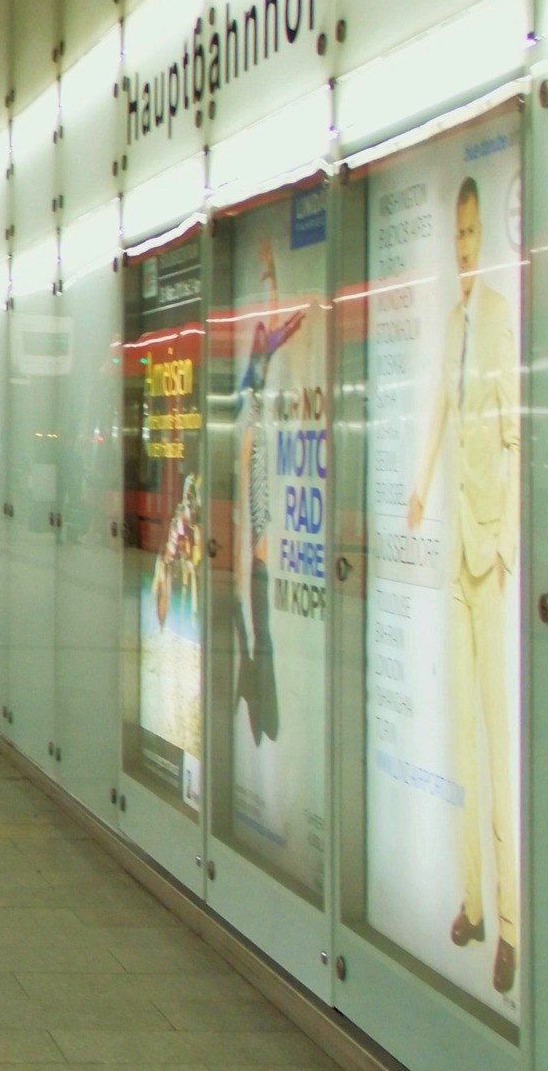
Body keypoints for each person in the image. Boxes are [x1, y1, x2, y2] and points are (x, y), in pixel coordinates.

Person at [405, 175, 521, 995]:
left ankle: (511, 922)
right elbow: (439, 418)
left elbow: (516, 435)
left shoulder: (504, 321)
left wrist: (504, 541)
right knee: (459, 744)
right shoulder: (451, 323)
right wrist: (416, 490)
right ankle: (474, 904)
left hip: (490, 553)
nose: (466, 248)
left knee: (496, 738)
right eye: (459, 236)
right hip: (453, 555)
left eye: (475, 234)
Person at [234, 236, 307, 745]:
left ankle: (262, 713)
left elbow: (277, 327)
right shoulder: (251, 403)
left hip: (257, 550)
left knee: (262, 634)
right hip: (254, 550)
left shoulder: (256, 384)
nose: (265, 334)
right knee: (261, 635)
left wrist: (271, 275)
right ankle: (263, 713)